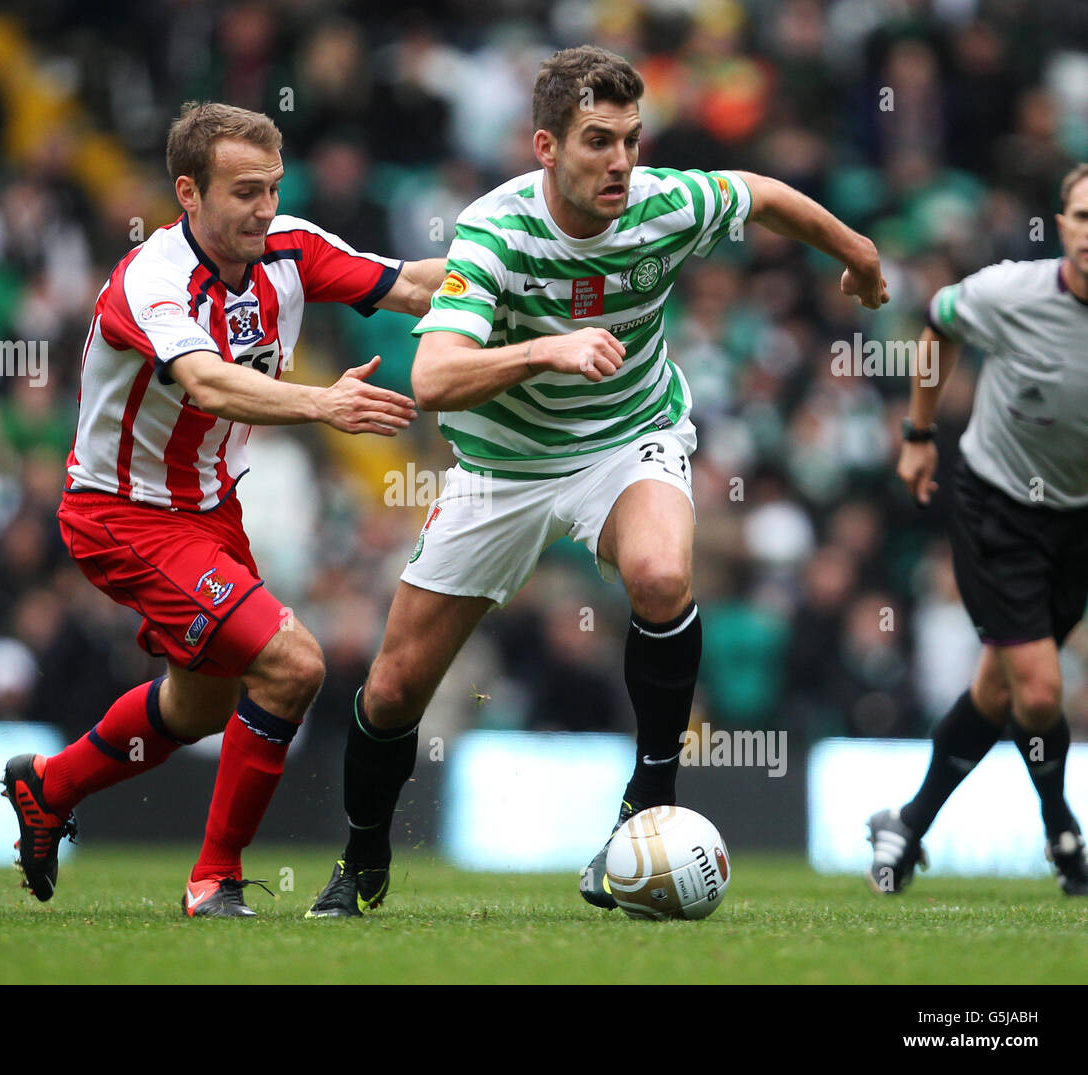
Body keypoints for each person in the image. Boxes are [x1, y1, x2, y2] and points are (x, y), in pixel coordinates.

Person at [306, 45, 887, 917]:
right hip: (502, 466)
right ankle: (363, 859)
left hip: (629, 438)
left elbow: (760, 194)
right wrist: (547, 347)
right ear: (545, 147)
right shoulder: (492, 233)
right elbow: (431, 380)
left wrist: (859, 252)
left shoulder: (664, 204)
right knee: (391, 690)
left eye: (630, 139)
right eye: (595, 142)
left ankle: (647, 805)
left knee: (659, 573)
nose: (620, 162)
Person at [1, 101, 443, 917]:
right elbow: (202, 379)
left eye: (272, 188)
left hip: (211, 509)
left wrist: (518, 285)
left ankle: (49, 785)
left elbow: (413, 283)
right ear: (188, 192)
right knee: (294, 664)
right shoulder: (153, 279)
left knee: (198, 705)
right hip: (123, 514)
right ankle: (215, 878)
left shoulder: (289, 247)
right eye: (244, 192)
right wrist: (321, 404)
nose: (264, 209)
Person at [868, 162, 1088, 897]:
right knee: (1037, 689)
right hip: (999, 507)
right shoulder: (1009, 293)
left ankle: (907, 822)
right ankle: (1064, 834)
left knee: (998, 688)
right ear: (1061, 226)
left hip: (1079, 522)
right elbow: (937, 322)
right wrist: (918, 432)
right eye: (1082, 217)